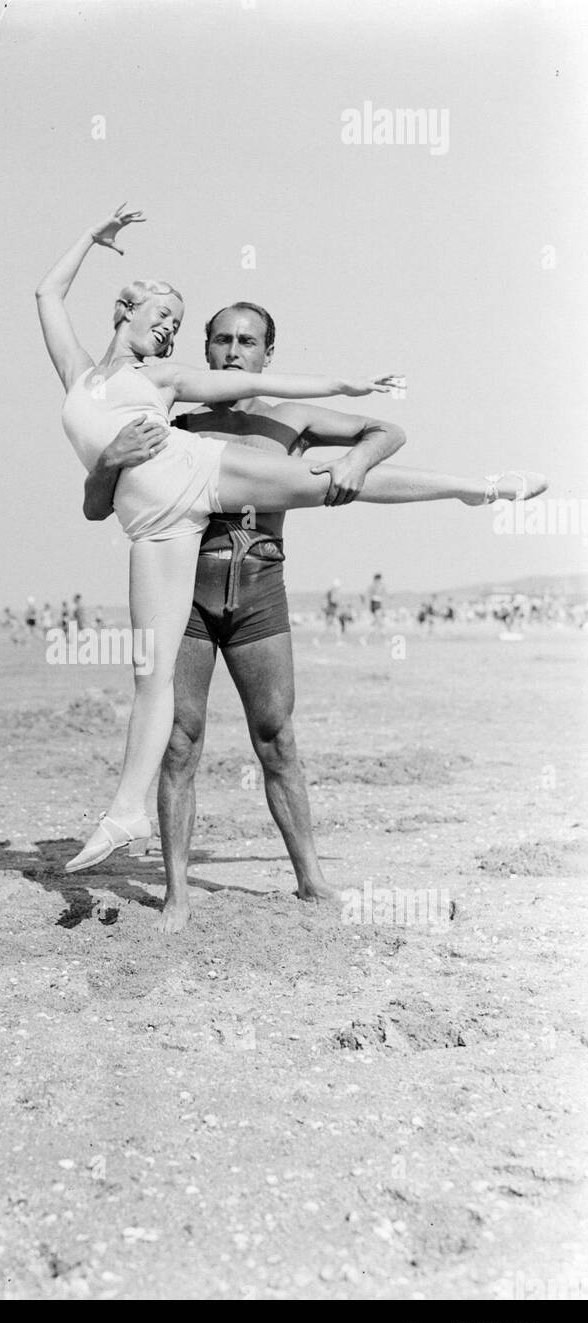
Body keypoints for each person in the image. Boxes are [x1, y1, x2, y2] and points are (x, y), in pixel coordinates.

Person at [36, 204, 545, 874]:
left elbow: (286, 395)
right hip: (165, 550)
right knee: (157, 697)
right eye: (179, 324)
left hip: (228, 533)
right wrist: (94, 241)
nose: (178, 334)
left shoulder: (203, 395)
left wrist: (346, 392)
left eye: (179, 327)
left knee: (330, 486)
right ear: (125, 310)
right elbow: (48, 300)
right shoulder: (125, 392)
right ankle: (141, 840)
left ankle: (475, 487)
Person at [86, 301, 406, 920]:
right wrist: (109, 460)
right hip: (185, 596)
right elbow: (98, 507)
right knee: (180, 741)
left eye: (249, 342)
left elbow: (386, 432)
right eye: (223, 341)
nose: (234, 351)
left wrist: (356, 461)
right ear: (205, 351)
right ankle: (177, 893)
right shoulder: (168, 420)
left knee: (277, 738)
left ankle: (311, 879)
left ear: (268, 356)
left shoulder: (292, 420)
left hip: (261, 589)